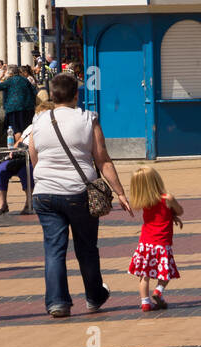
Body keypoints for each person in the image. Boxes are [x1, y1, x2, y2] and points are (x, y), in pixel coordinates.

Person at [25, 72, 133, 317]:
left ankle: (57, 303)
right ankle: (94, 297)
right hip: (78, 192)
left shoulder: (39, 120)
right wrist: (120, 192)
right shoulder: (87, 118)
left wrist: (44, 178)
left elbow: (33, 155)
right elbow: (102, 159)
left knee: (54, 249)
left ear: (52, 95)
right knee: (86, 247)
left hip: (44, 194)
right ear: (76, 95)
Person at [127, 166, 184, 312]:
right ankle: (159, 290)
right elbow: (180, 210)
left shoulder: (143, 201)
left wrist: (170, 216)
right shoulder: (167, 198)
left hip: (145, 243)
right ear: (156, 180)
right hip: (162, 243)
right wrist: (173, 214)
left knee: (144, 276)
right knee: (166, 272)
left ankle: (145, 302)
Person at [0, 62, 36, 135]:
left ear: (10, 73)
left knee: (16, 130)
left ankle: (19, 145)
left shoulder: (10, 81)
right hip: (27, 108)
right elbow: (34, 91)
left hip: (13, 108)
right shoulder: (25, 80)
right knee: (26, 130)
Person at [0, 130, 32, 215]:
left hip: (30, 157)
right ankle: (2, 204)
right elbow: (19, 142)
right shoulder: (30, 127)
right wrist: (13, 151)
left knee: (26, 171)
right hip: (18, 156)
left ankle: (29, 203)